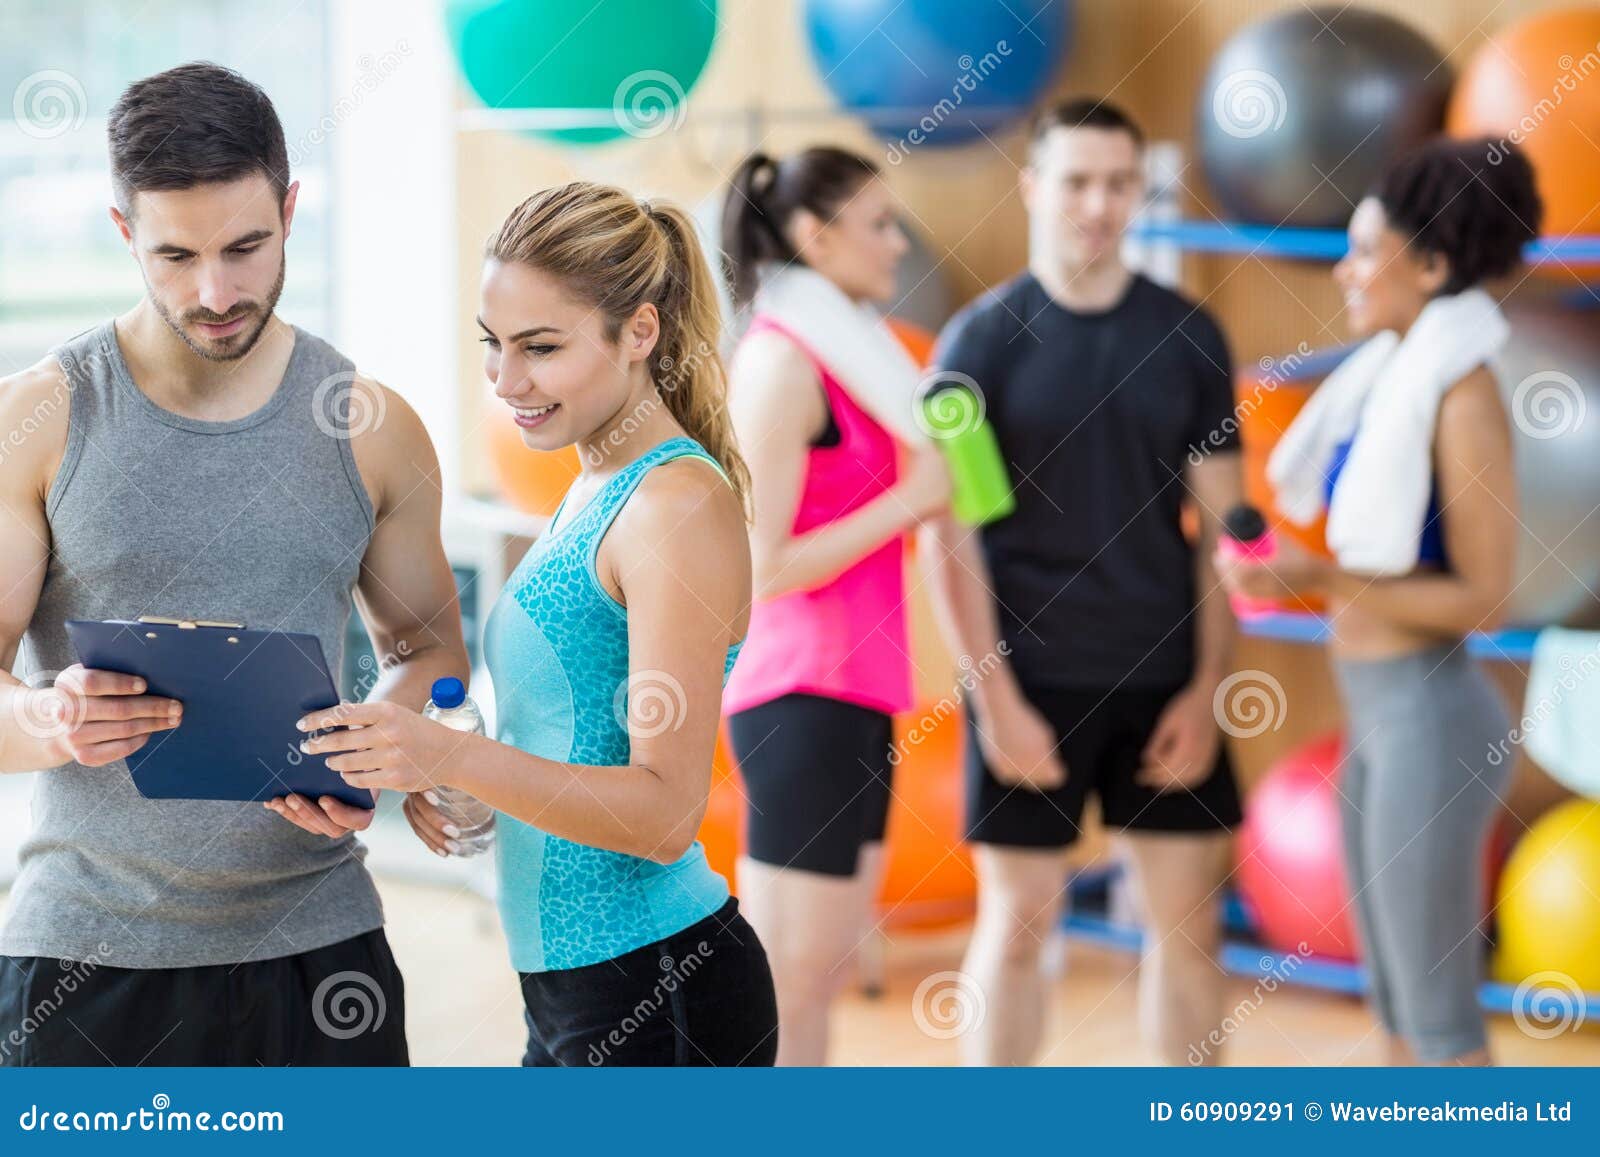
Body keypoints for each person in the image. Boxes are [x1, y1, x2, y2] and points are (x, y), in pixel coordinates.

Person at [0, 64, 466, 1066]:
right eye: (175, 253)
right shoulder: (37, 419)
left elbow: (431, 653)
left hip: (319, 947)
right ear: (125, 232)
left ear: (292, 210)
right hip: (84, 953)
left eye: (247, 247)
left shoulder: (371, 426)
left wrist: (380, 748)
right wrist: (50, 715)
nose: (215, 293)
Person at [298, 181, 779, 1067]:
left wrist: (445, 755)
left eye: (540, 348)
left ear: (640, 332)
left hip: (657, 985)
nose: (505, 381)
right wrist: (476, 788)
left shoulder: (675, 504)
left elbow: (668, 813)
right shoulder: (595, 483)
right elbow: (574, 745)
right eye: (493, 344)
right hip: (580, 986)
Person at [928, 98, 1245, 1066]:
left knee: (1185, 927)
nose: (1099, 204)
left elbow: (1223, 538)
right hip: (1032, 676)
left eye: (1120, 183)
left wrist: (1204, 688)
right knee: (1018, 924)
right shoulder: (972, 349)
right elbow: (949, 541)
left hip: (1162, 677)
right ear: (1033, 187)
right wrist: (994, 702)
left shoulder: (1190, 337)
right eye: (1076, 181)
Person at [1219, 139, 1541, 1067]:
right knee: (1396, 1014)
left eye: (1367, 252)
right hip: (1380, 727)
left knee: (1439, 1026)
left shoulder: (1462, 395)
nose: (1345, 272)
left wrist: (1314, 581)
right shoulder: (1388, 378)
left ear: (1434, 267)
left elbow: (1484, 597)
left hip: (1433, 726)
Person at [715, 147, 949, 1066]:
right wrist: (911, 499)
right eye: (879, 222)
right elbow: (759, 564)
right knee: (784, 983)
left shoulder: (854, 353)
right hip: (797, 694)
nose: (898, 242)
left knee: (821, 975)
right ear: (814, 235)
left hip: (858, 692)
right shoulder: (782, 364)